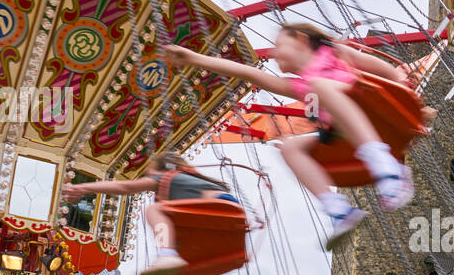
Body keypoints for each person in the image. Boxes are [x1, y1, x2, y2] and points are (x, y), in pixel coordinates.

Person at [161, 24, 416, 250]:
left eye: (279, 45)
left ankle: (386, 165)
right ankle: (338, 209)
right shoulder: (298, 85)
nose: (273, 53)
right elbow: (249, 73)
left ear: (301, 39)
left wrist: (403, 86)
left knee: (320, 86)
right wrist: (196, 60)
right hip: (343, 135)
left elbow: (379, 68)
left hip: (376, 111)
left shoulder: (333, 53)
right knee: (289, 147)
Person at [63, 152, 245, 275]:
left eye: (146, 171)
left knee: (153, 210)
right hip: (226, 235)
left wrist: (83, 187)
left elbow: (125, 188)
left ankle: (166, 254)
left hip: (220, 209)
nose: (145, 177)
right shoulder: (190, 185)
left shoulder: (167, 176)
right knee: (161, 274)